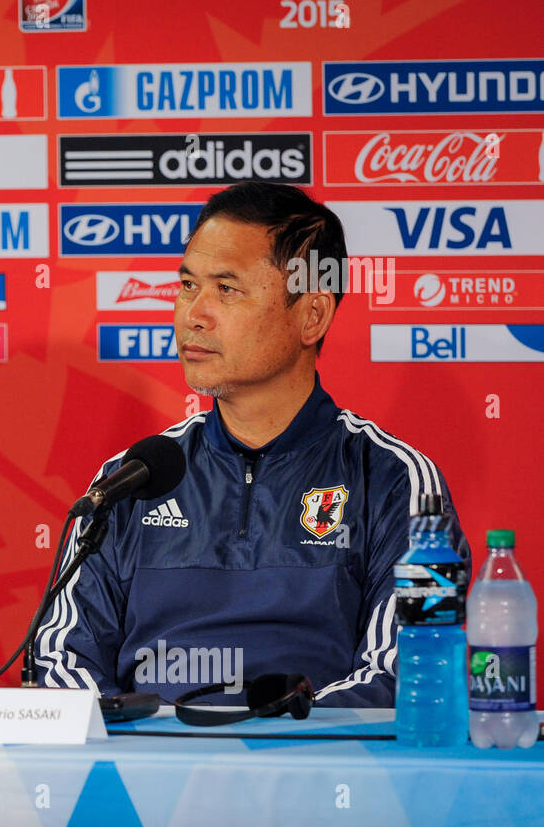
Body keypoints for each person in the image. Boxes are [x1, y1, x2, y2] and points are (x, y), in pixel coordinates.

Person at [34, 181, 467, 707]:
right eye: (188, 285)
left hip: (315, 778)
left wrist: (253, 750)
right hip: (144, 776)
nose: (192, 313)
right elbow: (59, 662)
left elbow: (414, 669)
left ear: (312, 315)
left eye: (227, 289)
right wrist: (148, 752)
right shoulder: (130, 479)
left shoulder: (399, 482)